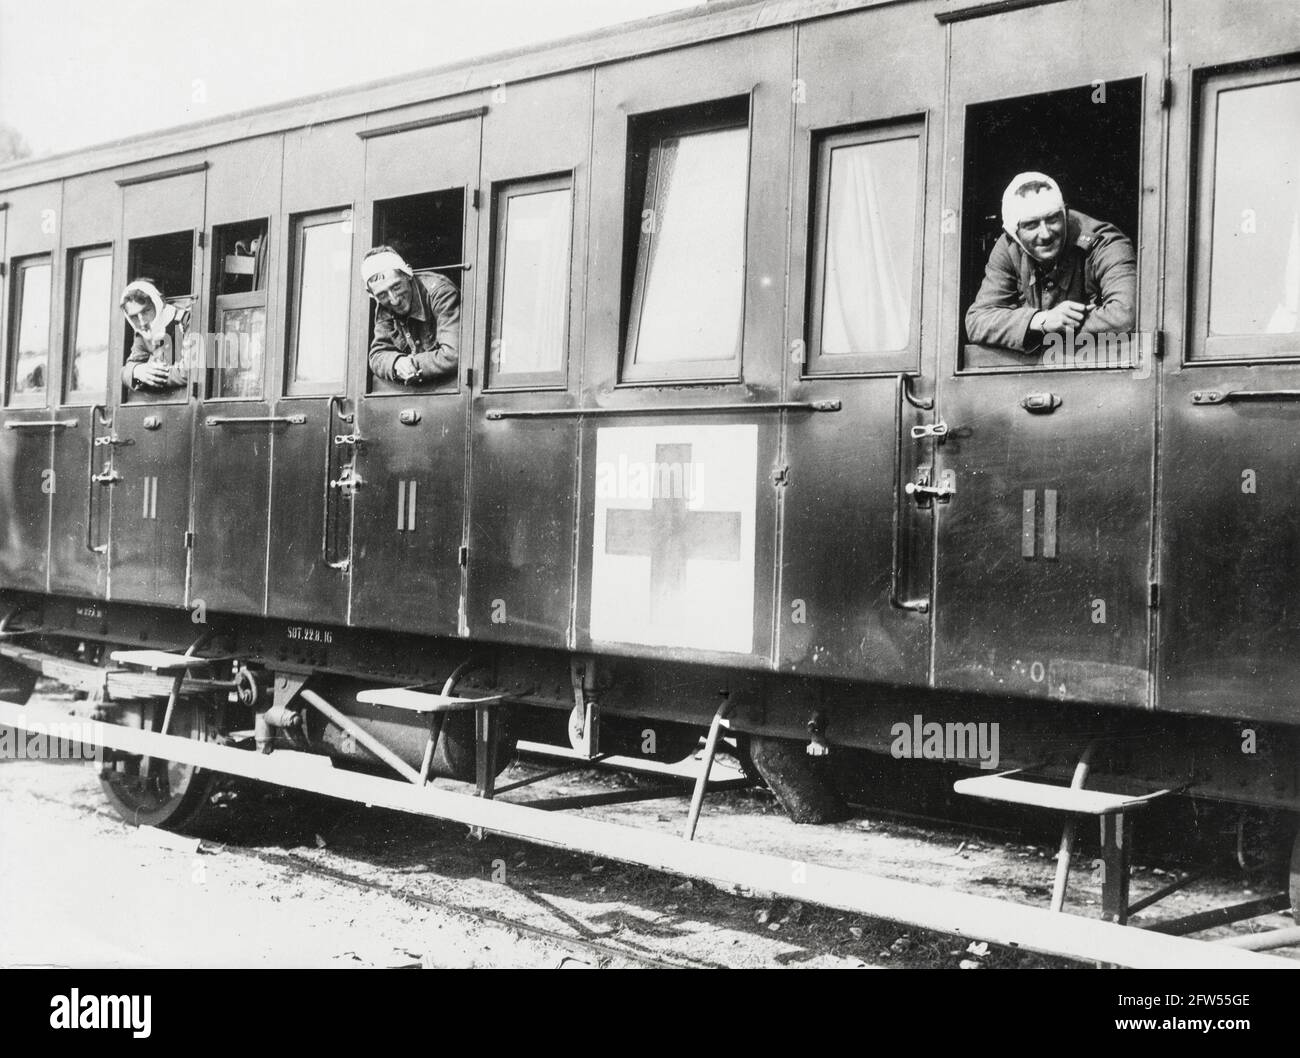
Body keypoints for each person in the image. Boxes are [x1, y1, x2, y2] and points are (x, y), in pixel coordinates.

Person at [964, 172, 1136, 352]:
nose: (1045, 234)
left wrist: (1054, 327)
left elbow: (1125, 315)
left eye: (1053, 219)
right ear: (1013, 232)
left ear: (1065, 213)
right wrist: (1041, 320)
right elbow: (978, 320)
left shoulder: (1104, 242)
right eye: (1031, 225)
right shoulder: (1009, 246)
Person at [363, 246, 460, 385]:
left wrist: (410, 364)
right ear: (373, 295)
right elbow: (376, 355)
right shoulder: (384, 306)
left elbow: (453, 355)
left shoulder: (440, 293)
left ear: (408, 274)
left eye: (396, 287)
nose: (394, 299)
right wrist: (396, 363)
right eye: (382, 294)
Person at [120, 278, 190, 391]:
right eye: (134, 316)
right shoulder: (143, 332)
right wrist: (138, 370)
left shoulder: (186, 320)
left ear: (158, 304)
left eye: (146, 311)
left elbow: (190, 371)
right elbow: (126, 370)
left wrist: (150, 376)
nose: (142, 322)